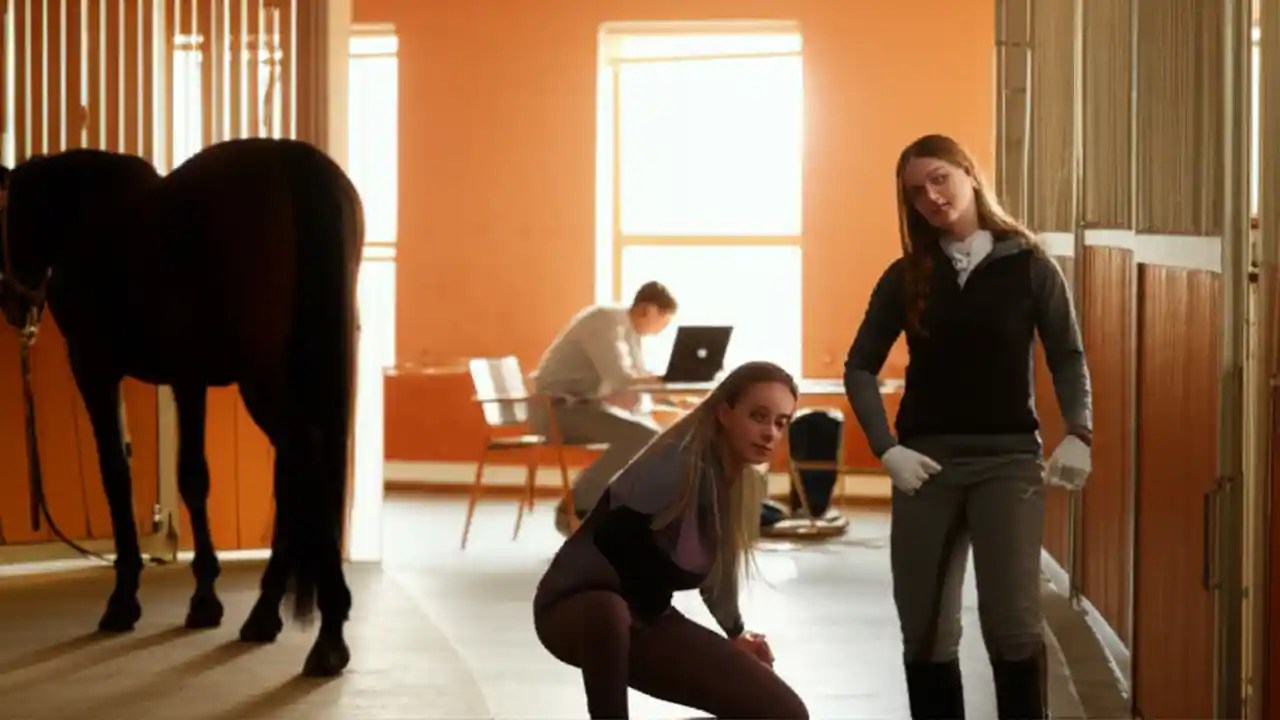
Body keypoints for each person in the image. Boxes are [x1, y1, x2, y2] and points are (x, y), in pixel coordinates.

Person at [843, 134, 1093, 720]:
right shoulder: (904, 276)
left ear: (968, 174)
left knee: (1012, 626)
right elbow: (859, 366)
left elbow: (1067, 356)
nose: (930, 197)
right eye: (915, 191)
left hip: (1008, 465)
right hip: (924, 468)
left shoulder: (1030, 266)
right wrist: (887, 450)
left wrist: (1079, 430)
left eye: (939, 179)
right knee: (926, 630)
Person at [531, 361, 809, 720]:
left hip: (647, 616)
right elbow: (603, 538)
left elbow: (714, 569)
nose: (770, 433)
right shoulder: (672, 467)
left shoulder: (739, 481)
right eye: (759, 416)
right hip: (573, 610)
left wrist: (736, 633)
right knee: (609, 609)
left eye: (780, 422)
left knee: (784, 714)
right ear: (725, 412)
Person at [530, 281, 676, 535]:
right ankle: (577, 506)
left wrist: (670, 389)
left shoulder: (628, 330)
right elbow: (620, 377)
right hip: (557, 410)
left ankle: (631, 511)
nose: (662, 329)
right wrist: (666, 380)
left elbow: (636, 376)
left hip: (583, 406)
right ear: (648, 310)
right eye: (663, 320)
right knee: (643, 436)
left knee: (654, 435)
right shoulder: (605, 323)